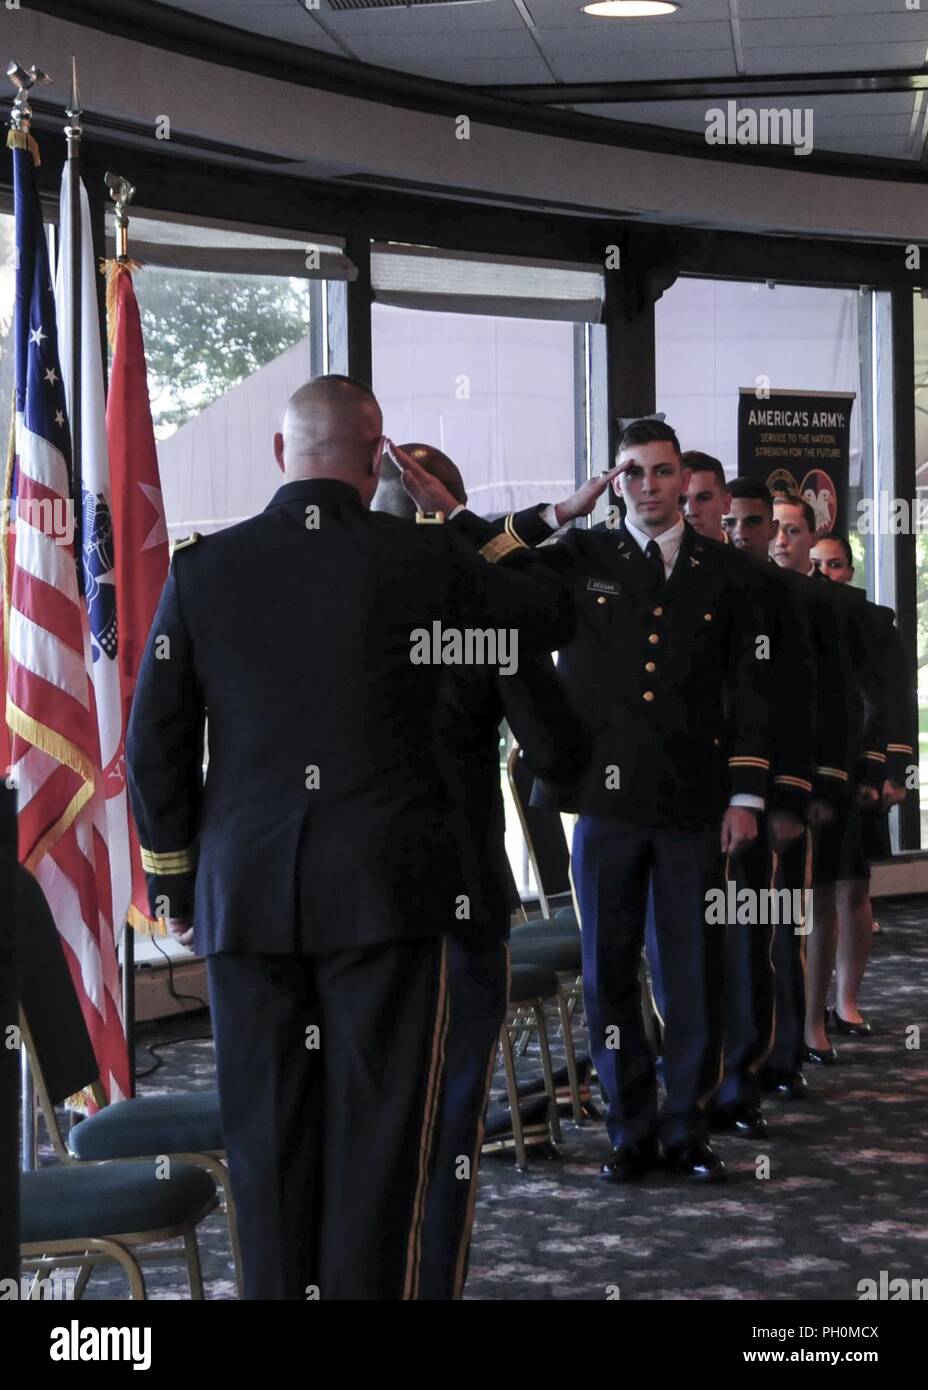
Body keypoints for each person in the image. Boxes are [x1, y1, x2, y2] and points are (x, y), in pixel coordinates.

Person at [126, 375, 574, 1301]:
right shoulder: (422, 559)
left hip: (248, 905)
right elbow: (550, 610)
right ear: (379, 462)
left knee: (265, 1143)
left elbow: (154, 746)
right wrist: (463, 520)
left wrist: (172, 876)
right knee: (377, 1145)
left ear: (281, 455)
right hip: (387, 899)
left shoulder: (205, 569)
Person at [407, 419, 774, 1184]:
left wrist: (746, 794)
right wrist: (556, 514)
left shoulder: (729, 573)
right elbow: (492, 559)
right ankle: (628, 1130)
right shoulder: (585, 554)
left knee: (691, 971)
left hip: (692, 802)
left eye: (662, 472)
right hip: (604, 804)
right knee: (608, 974)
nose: (648, 486)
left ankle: (685, 1129)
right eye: (632, 473)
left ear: (684, 480)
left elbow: (752, 691)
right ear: (615, 481)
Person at [371, 441, 591, 1299]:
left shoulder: (292, 594)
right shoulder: (483, 607)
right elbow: (559, 752)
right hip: (457, 901)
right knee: (446, 1126)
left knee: (344, 1120)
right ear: (445, 513)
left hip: (328, 914)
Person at [721, 479, 849, 1106]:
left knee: (774, 931)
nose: (739, 533)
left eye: (752, 523)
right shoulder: (699, 584)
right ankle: (721, 1064)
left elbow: (814, 703)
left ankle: (783, 1050)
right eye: (732, 522)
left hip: (775, 794)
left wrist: (800, 793)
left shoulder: (798, 598)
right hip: (703, 798)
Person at [771, 496, 884, 1065]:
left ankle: (817, 1019)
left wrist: (841, 775)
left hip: (823, 775)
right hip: (758, 777)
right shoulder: (746, 590)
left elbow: (854, 698)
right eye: (778, 528)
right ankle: (770, 1026)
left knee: (823, 896)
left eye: (794, 530)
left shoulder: (836, 607)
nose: (783, 539)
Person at [809, 533, 913, 1033]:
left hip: (856, 771)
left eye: (835, 564)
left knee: (850, 888)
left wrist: (894, 770)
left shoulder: (872, 621)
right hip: (798, 774)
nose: (825, 572)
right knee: (800, 898)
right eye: (816, 563)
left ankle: (846, 1002)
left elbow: (894, 697)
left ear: (850, 571)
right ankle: (801, 1010)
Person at [682, 452, 731, 544]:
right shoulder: (655, 557)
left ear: (726, 503)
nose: (691, 511)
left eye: (703, 498)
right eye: (681, 501)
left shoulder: (749, 558)